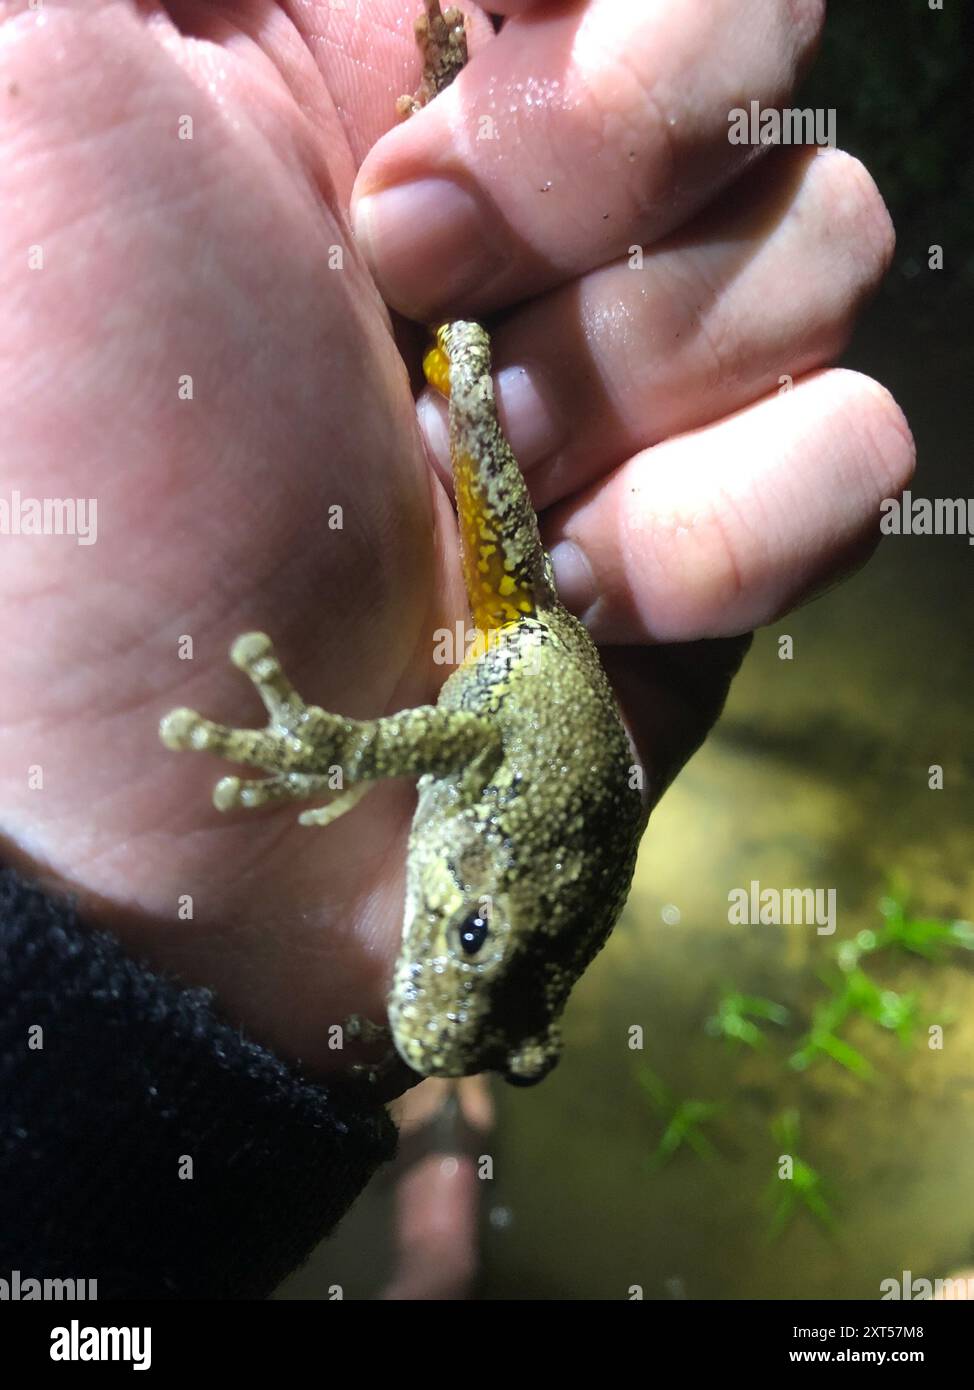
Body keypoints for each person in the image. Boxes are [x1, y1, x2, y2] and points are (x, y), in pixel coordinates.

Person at [0, 0, 913, 1298]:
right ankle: (443, 1207)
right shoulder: (488, 836)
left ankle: (441, 1212)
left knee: (468, 354)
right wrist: (341, 747)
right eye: (469, 940)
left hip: (520, 672)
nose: (432, 996)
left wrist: (203, 992)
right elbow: (452, 731)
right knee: (468, 374)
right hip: (519, 626)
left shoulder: (477, 905)